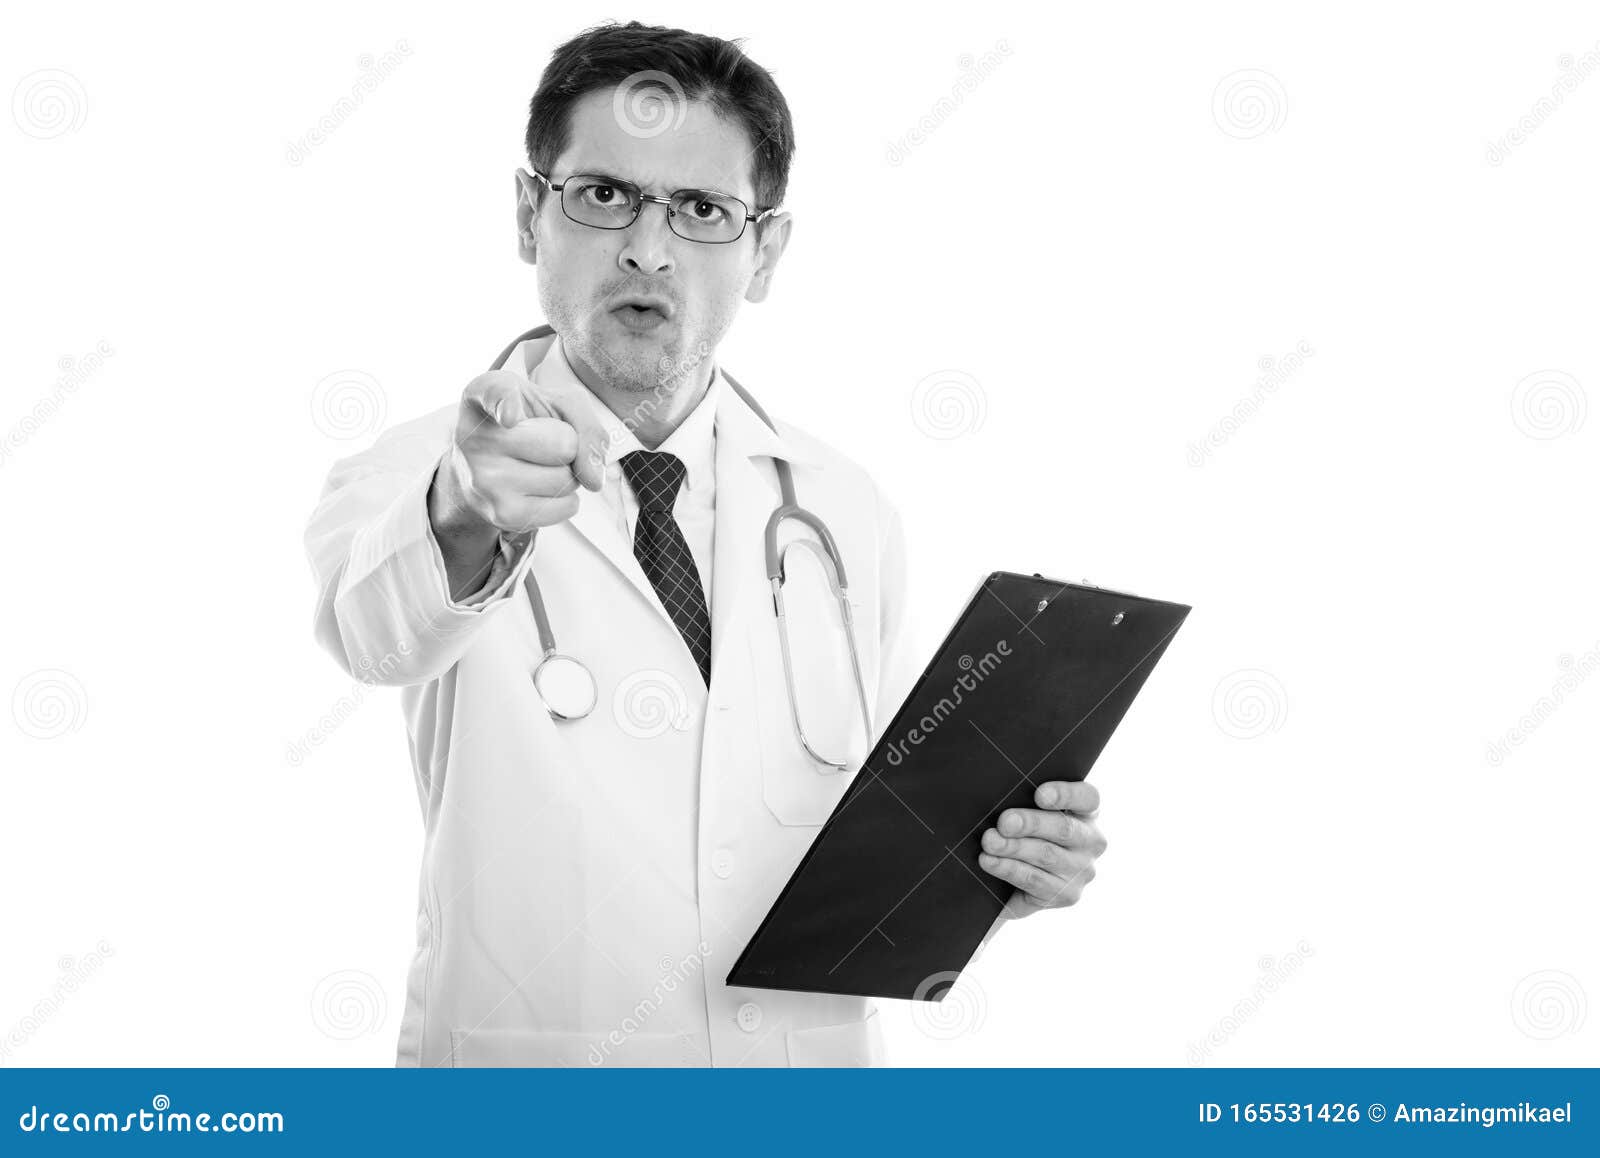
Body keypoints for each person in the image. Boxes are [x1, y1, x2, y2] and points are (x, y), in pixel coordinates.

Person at [303, 19, 1107, 1068]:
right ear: (526, 214)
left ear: (763, 250)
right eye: (602, 195)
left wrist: (992, 869)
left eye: (701, 209)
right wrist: (465, 512)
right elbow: (373, 635)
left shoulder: (841, 506)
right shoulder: (413, 469)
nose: (648, 246)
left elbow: (864, 833)